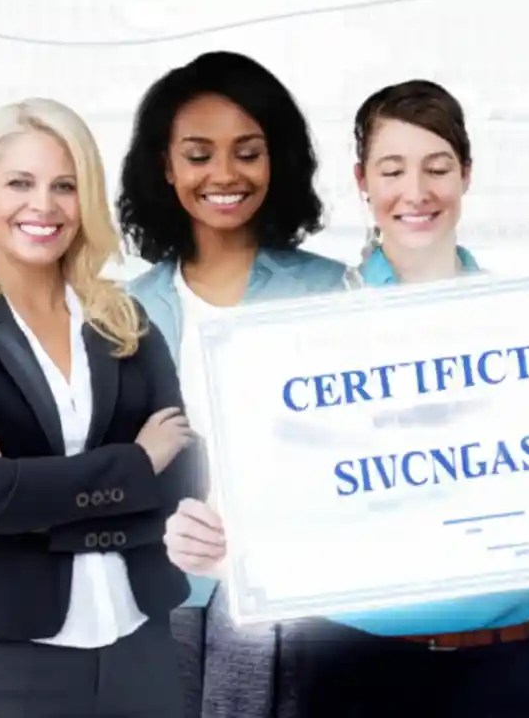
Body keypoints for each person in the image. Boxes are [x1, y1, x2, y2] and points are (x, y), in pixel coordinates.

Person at [0, 97, 194, 717]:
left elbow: (185, 476)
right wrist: (134, 465)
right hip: (9, 656)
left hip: (142, 640)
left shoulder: (125, 320)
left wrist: (22, 487)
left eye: (65, 186)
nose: (44, 206)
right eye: (20, 183)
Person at [282, 79, 529, 718]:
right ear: (362, 180)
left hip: (508, 669)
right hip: (359, 671)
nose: (415, 192)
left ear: (466, 174)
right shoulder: (305, 332)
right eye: (392, 170)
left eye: (437, 168)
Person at [119, 51, 346, 718]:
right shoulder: (123, 312)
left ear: (277, 161)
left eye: (247, 152)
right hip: (158, 597)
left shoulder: (332, 290)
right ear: (166, 166)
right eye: (198, 154)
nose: (224, 174)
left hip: (293, 601)